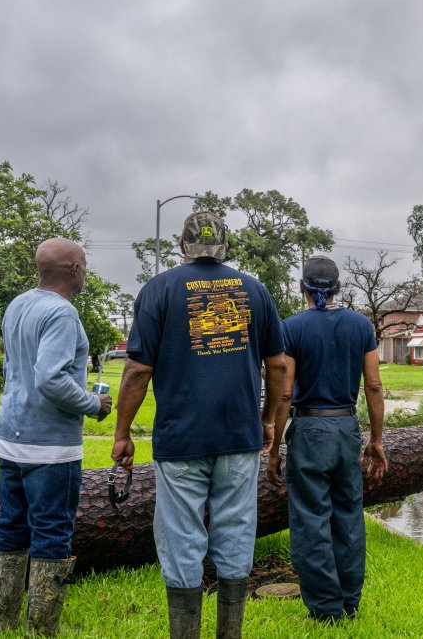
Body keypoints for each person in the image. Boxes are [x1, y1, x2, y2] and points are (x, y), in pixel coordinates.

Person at [111, 212, 287, 639]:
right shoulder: (255, 290)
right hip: (238, 436)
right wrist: (267, 421)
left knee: (181, 538)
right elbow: (278, 365)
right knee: (236, 533)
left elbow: (137, 371)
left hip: (180, 437)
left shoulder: (159, 289)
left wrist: (122, 432)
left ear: (181, 245)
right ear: (225, 246)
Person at [0, 238, 113, 636]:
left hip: (9, 435)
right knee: (52, 533)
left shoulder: (19, 304)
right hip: (49, 447)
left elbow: (16, 370)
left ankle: (1, 625)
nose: (86, 271)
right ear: (75, 269)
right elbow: (51, 379)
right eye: (85, 265)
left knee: (9, 526)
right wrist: (94, 405)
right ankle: (41, 631)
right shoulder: (62, 314)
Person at [267, 255, 387, 623]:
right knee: (348, 516)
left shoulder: (292, 328)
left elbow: (285, 394)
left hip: (311, 429)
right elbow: (374, 385)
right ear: (338, 288)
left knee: (310, 519)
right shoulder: (361, 325)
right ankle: (350, 601)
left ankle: (325, 609)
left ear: (302, 287)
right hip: (347, 428)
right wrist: (376, 440)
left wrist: (274, 446)